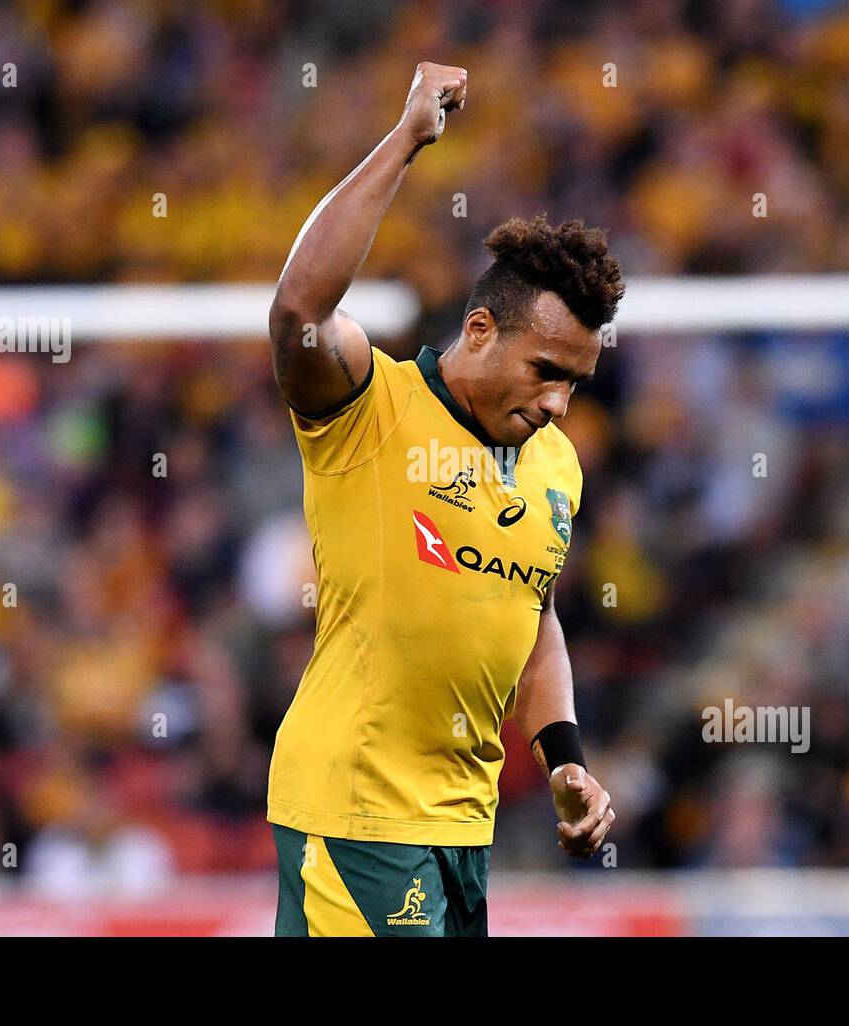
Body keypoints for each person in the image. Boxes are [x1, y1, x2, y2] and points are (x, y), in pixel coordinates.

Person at [265, 62, 622, 937]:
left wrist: (564, 757)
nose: (556, 405)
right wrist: (407, 141)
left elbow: (526, 612)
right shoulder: (369, 408)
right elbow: (297, 311)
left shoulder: (555, 467)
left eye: (575, 385)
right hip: (355, 816)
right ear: (478, 330)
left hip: (461, 827)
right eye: (546, 373)